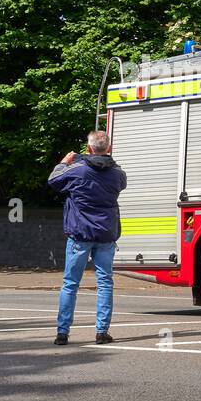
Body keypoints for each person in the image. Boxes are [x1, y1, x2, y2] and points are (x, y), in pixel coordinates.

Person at [47, 130, 128, 345]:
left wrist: (64, 162)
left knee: (70, 283)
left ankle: (62, 333)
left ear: (89, 148)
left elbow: (53, 180)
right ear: (108, 149)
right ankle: (102, 332)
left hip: (80, 234)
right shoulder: (118, 174)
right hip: (105, 234)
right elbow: (120, 183)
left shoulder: (78, 170)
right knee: (105, 283)